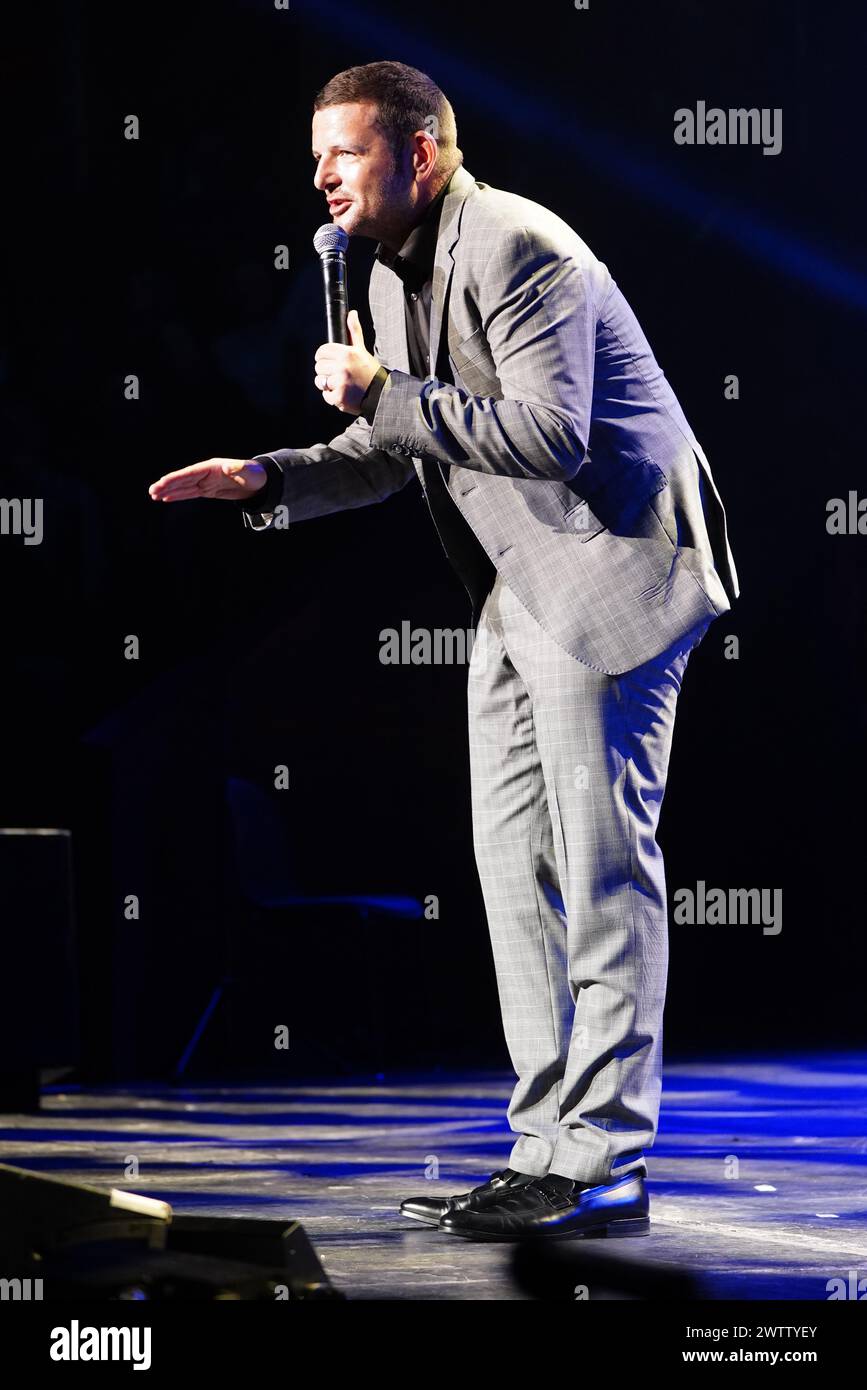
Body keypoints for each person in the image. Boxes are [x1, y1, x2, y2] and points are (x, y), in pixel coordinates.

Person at [149, 60, 738, 1243]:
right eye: (315, 153)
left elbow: (551, 435)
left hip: (612, 566)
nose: (319, 174)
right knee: (511, 865)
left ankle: (606, 1160)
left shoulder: (520, 245)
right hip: (521, 586)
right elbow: (393, 447)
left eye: (344, 152)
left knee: (600, 864)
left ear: (421, 153)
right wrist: (270, 475)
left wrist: (386, 386)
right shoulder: (379, 266)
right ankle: (542, 1152)